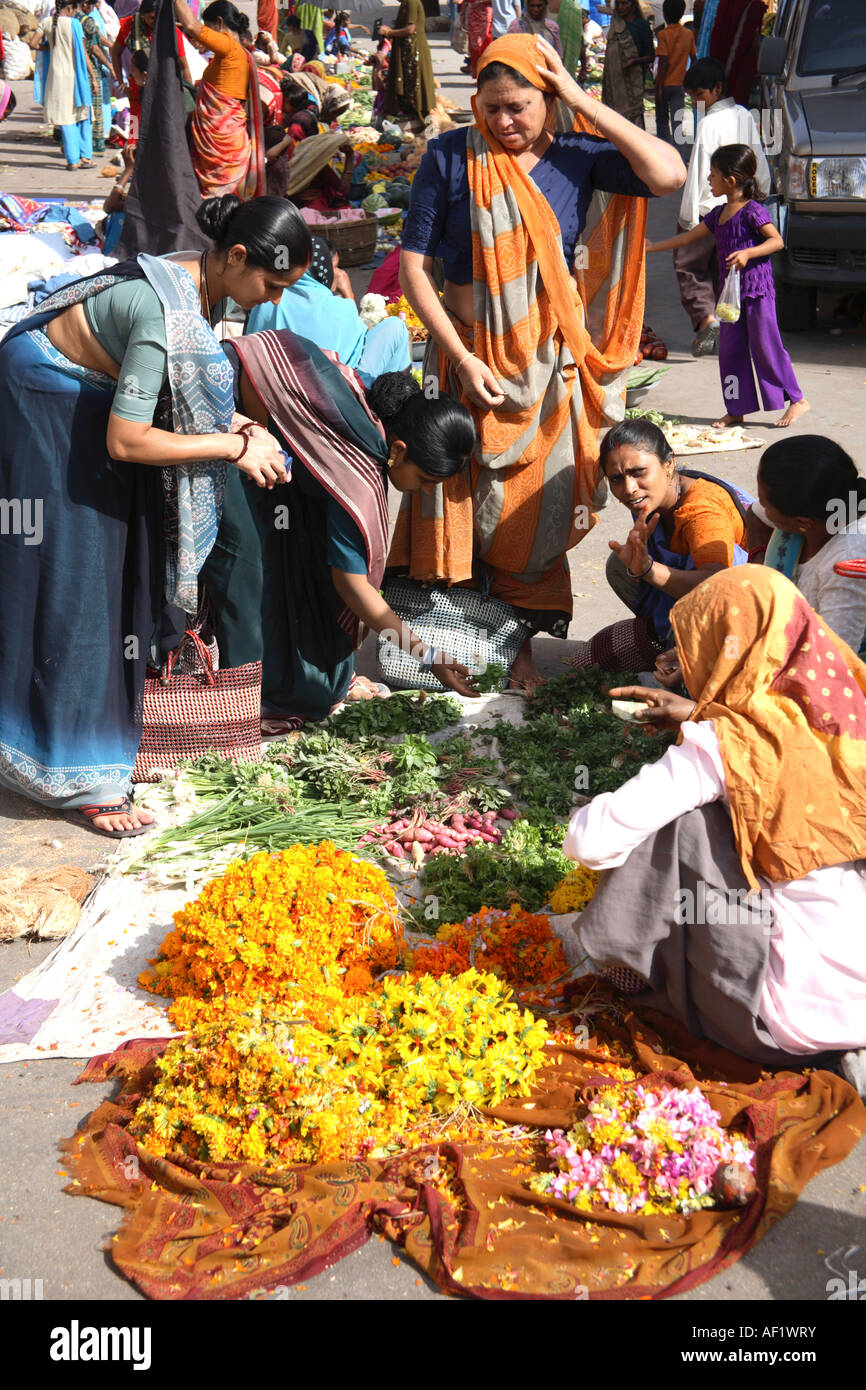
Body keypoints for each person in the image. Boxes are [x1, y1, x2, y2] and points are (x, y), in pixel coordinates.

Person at [0, 195, 309, 838]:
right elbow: (127, 442)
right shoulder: (160, 312)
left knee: (116, 570)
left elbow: (186, 395)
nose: (269, 301)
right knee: (79, 576)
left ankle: (66, 738)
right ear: (237, 257)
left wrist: (242, 426)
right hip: (43, 396)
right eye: (271, 284)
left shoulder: (203, 284)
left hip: (93, 395)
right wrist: (232, 447)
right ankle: (72, 772)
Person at [398, 33, 685, 688]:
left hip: (545, 374)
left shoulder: (580, 157)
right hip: (466, 362)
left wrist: (584, 98)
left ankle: (520, 648)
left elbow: (667, 173)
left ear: (548, 101)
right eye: (491, 107)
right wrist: (461, 358)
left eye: (520, 106)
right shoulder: (450, 156)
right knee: (462, 515)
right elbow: (414, 270)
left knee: (532, 520)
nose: (503, 121)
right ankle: (455, 649)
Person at [564, 566, 866, 1072]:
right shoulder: (850, 711)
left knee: (686, 828)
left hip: (788, 1022)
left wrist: (694, 743)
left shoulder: (727, 744)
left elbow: (589, 843)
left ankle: (635, 972)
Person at [202, 360, 480, 729]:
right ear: (397, 450)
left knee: (298, 555)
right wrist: (429, 657)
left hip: (266, 443)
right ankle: (244, 703)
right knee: (247, 575)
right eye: (426, 479)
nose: (427, 490)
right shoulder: (357, 473)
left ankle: (288, 683)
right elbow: (353, 588)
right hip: (223, 432)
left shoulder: (386, 405)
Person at [570, 418, 752, 670]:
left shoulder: (702, 511)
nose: (629, 489)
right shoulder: (653, 496)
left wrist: (647, 570)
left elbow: (716, 588)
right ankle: (667, 637)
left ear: (669, 464)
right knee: (619, 566)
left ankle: (695, 654)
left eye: (638, 472)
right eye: (616, 479)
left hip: (741, 613)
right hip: (693, 595)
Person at [648, 144, 808, 428]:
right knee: (730, 351)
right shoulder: (718, 214)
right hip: (730, 298)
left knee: (766, 347)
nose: (708, 180)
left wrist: (748, 253)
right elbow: (687, 238)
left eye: (713, 175)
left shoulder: (753, 212)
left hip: (758, 292)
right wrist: (651, 247)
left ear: (731, 180)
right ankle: (736, 409)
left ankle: (797, 400)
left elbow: (776, 241)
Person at [674, 56, 770, 357]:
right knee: (725, 269)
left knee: (688, 265)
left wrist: (687, 217)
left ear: (717, 88)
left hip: (708, 209)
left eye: (699, 95)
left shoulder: (709, 124)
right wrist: (762, 190)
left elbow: (698, 171)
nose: (696, 101)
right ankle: (730, 330)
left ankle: (707, 319)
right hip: (741, 206)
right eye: (692, 96)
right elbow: (758, 157)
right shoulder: (744, 114)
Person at [755, 437, 866, 658]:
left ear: (803, 522)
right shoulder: (819, 509)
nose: (762, 507)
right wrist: (760, 571)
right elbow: (753, 514)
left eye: (765, 501)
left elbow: (835, 661)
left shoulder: (847, 564)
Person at [247, 237, 411, 385]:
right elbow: (359, 348)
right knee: (395, 326)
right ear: (322, 269)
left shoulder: (265, 301)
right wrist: (349, 295)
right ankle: (394, 397)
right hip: (337, 402)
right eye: (334, 267)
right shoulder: (340, 306)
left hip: (277, 399)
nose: (338, 274)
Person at [173, 0, 265, 199]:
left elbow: (191, 26)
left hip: (221, 141)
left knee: (218, 201)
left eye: (208, 27)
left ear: (220, 23)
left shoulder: (228, 45)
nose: (207, 33)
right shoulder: (235, 53)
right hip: (225, 139)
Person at [111, 0, 191, 146]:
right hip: (136, 89)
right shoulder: (130, 26)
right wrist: (121, 82)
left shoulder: (170, 30)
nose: (155, 22)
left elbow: (184, 66)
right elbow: (115, 52)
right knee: (135, 130)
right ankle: (133, 155)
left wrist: (189, 93)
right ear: (142, 16)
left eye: (157, 17)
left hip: (164, 90)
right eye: (151, 18)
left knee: (160, 131)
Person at [43, 0, 94, 170]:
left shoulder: (47, 22)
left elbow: (34, 43)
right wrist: (93, 76)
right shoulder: (75, 24)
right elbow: (84, 52)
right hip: (74, 75)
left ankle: (72, 161)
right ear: (70, 8)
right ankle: (86, 157)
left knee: (65, 117)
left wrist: (51, 48)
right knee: (83, 113)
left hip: (56, 77)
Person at [381, 0, 436, 123]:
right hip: (409, 52)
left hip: (414, 52)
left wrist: (388, 32)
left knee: (418, 97)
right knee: (409, 94)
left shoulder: (411, 2)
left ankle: (430, 132)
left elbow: (410, 29)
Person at [601, 0, 653, 127]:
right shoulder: (615, 26)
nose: (620, 7)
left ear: (633, 5)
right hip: (614, 87)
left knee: (634, 124)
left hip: (633, 86)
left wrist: (634, 61)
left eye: (624, 4)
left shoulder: (641, 26)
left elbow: (651, 56)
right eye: (618, 4)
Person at [707, 0, 766, 107]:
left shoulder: (723, 4)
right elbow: (754, 39)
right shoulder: (752, 6)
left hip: (718, 65)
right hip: (740, 70)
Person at [654, 0, 694, 146]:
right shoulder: (688, 34)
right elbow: (694, 58)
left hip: (664, 84)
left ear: (664, 14)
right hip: (679, 85)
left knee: (662, 120)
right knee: (677, 121)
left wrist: (658, 88)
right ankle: (679, 153)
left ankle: (664, 149)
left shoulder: (663, 35)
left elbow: (663, 62)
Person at [79, 0, 112, 154]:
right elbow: (94, 48)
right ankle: (95, 143)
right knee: (95, 108)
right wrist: (110, 65)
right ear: (86, 3)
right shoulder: (87, 21)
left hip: (74, 69)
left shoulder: (66, 19)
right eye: (92, 5)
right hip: (90, 68)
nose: (94, 8)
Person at [464, 0, 494, 78]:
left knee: (485, 43)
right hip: (472, 13)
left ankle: (485, 76)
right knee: (474, 46)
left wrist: (480, 2)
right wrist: (463, 12)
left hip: (485, 14)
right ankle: (478, 75)